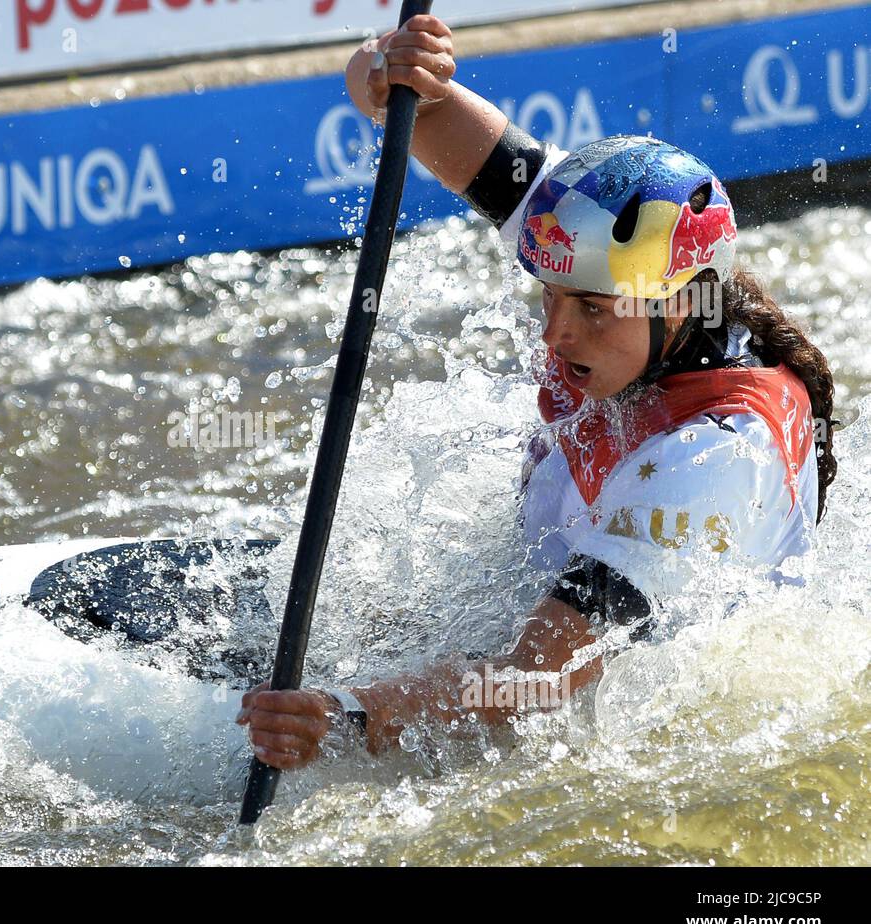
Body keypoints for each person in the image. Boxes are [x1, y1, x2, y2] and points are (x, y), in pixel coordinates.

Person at [237, 15, 838, 769]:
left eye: (591, 309)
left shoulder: (713, 457)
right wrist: (393, 73)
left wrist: (348, 716)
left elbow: (538, 682)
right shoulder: (599, 243)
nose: (557, 334)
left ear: (681, 303)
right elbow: (426, 117)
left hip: (633, 722)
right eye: (548, 296)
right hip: (553, 603)